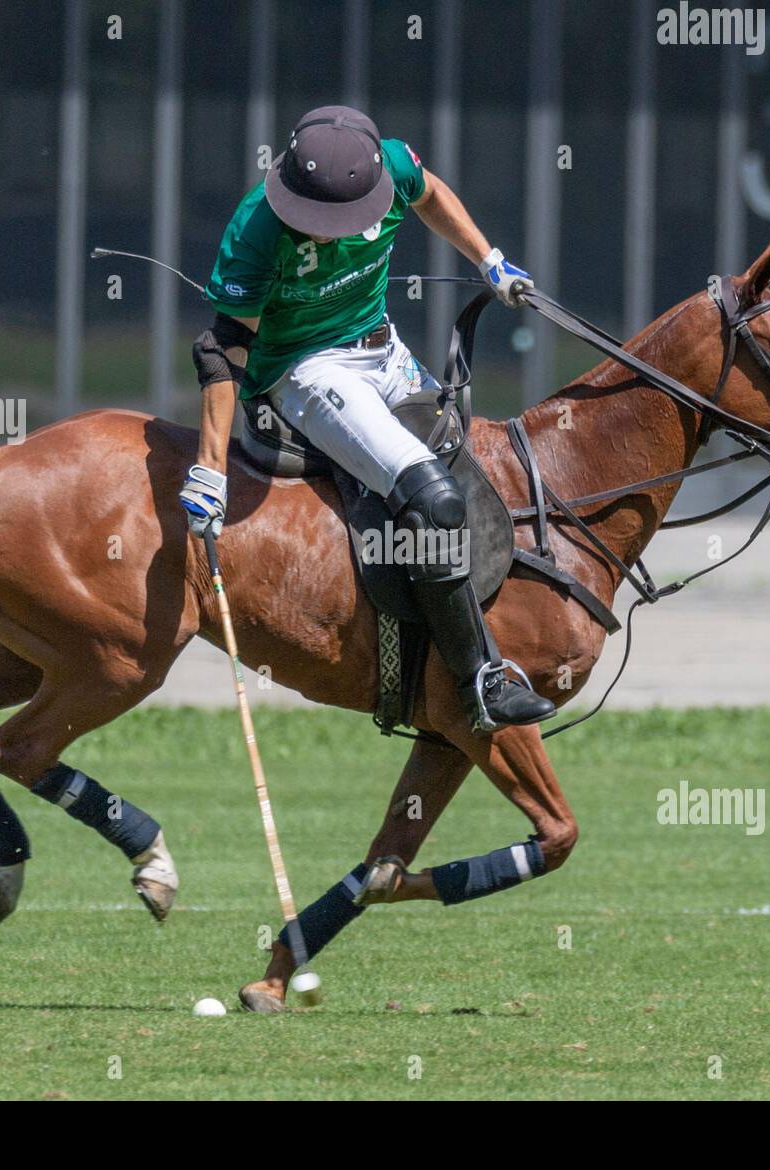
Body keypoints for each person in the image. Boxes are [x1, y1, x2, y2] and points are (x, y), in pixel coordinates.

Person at [180, 105, 554, 734]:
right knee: (432, 498)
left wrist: (488, 260)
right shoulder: (257, 228)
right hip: (306, 371)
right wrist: (209, 470)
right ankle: (478, 683)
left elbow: (431, 192)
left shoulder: (396, 166)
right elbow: (223, 350)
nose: (323, 231)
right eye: (313, 220)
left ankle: (437, 634)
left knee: (466, 478)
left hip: (385, 349)